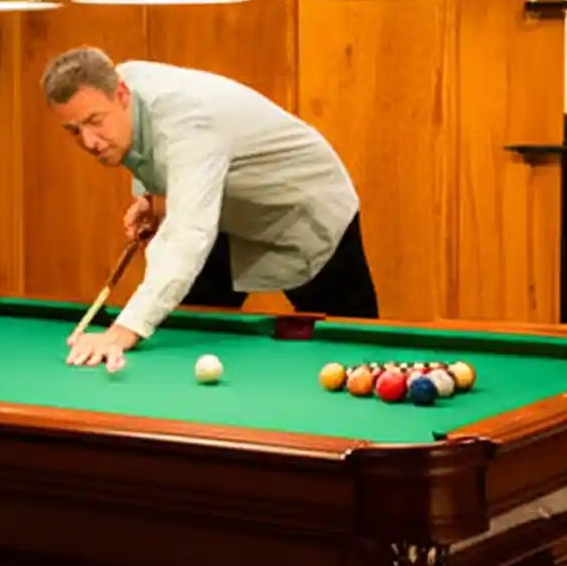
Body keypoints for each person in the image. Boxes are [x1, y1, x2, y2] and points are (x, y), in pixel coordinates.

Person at [41, 46, 378, 371]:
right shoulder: (121, 86)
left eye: (94, 121)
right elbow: (149, 146)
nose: (89, 142)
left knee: (361, 359)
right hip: (227, 216)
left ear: (122, 95)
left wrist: (122, 331)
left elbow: (187, 235)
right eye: (73, 131)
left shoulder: (188, 122)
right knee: (181, 328)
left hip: (304, 211)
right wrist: (148, 197)